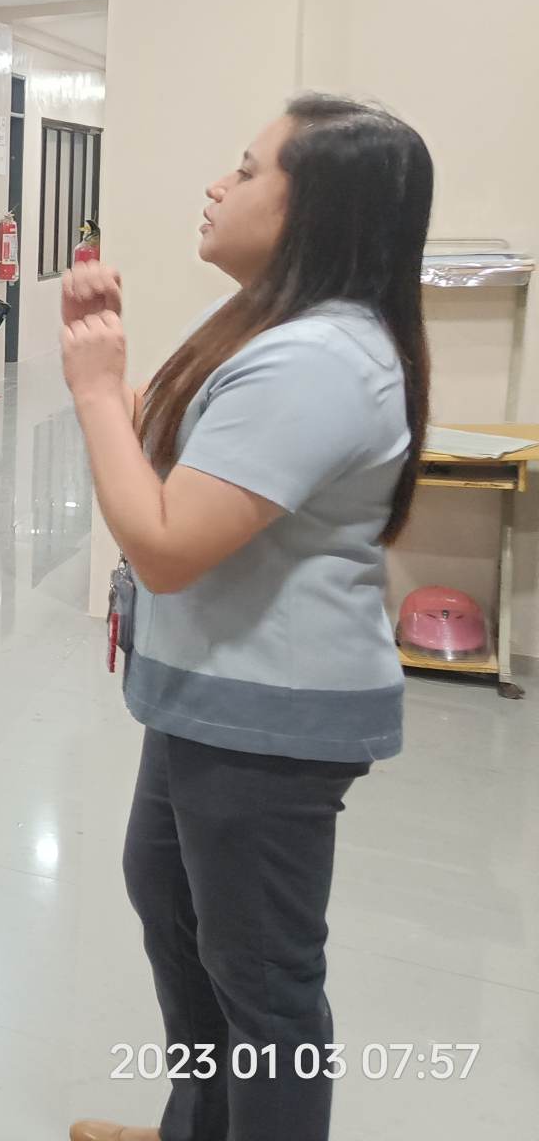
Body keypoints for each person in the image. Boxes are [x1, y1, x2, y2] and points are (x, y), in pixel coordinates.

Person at [62, 95, 431, 1141]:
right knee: (176, 919)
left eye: (244, 168)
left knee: (260, 983)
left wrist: (91, 393)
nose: (216, 185)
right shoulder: (272, 329)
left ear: (316, 208)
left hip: (265, 716)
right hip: (210, 693)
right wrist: (107, 364)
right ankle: (199, 1126)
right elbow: (180, 440)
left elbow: (169, 545)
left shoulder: (317, 359)